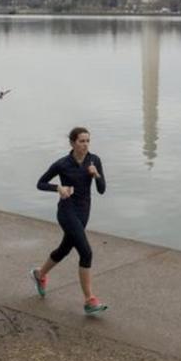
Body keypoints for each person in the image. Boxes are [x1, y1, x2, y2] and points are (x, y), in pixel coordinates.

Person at [29, 126, 108, 315]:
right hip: (66, 211)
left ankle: (39, 274)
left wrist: (96, 175)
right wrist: (58, 188)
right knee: (86, 253)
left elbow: (102, 189)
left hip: (84, 212)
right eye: (82, 141)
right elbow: (40, 183)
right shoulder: (63, 164)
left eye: (88, 141)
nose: (85, 145)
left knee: (65, 249)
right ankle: (89, 300)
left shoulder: (94, 160)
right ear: (73, 143)